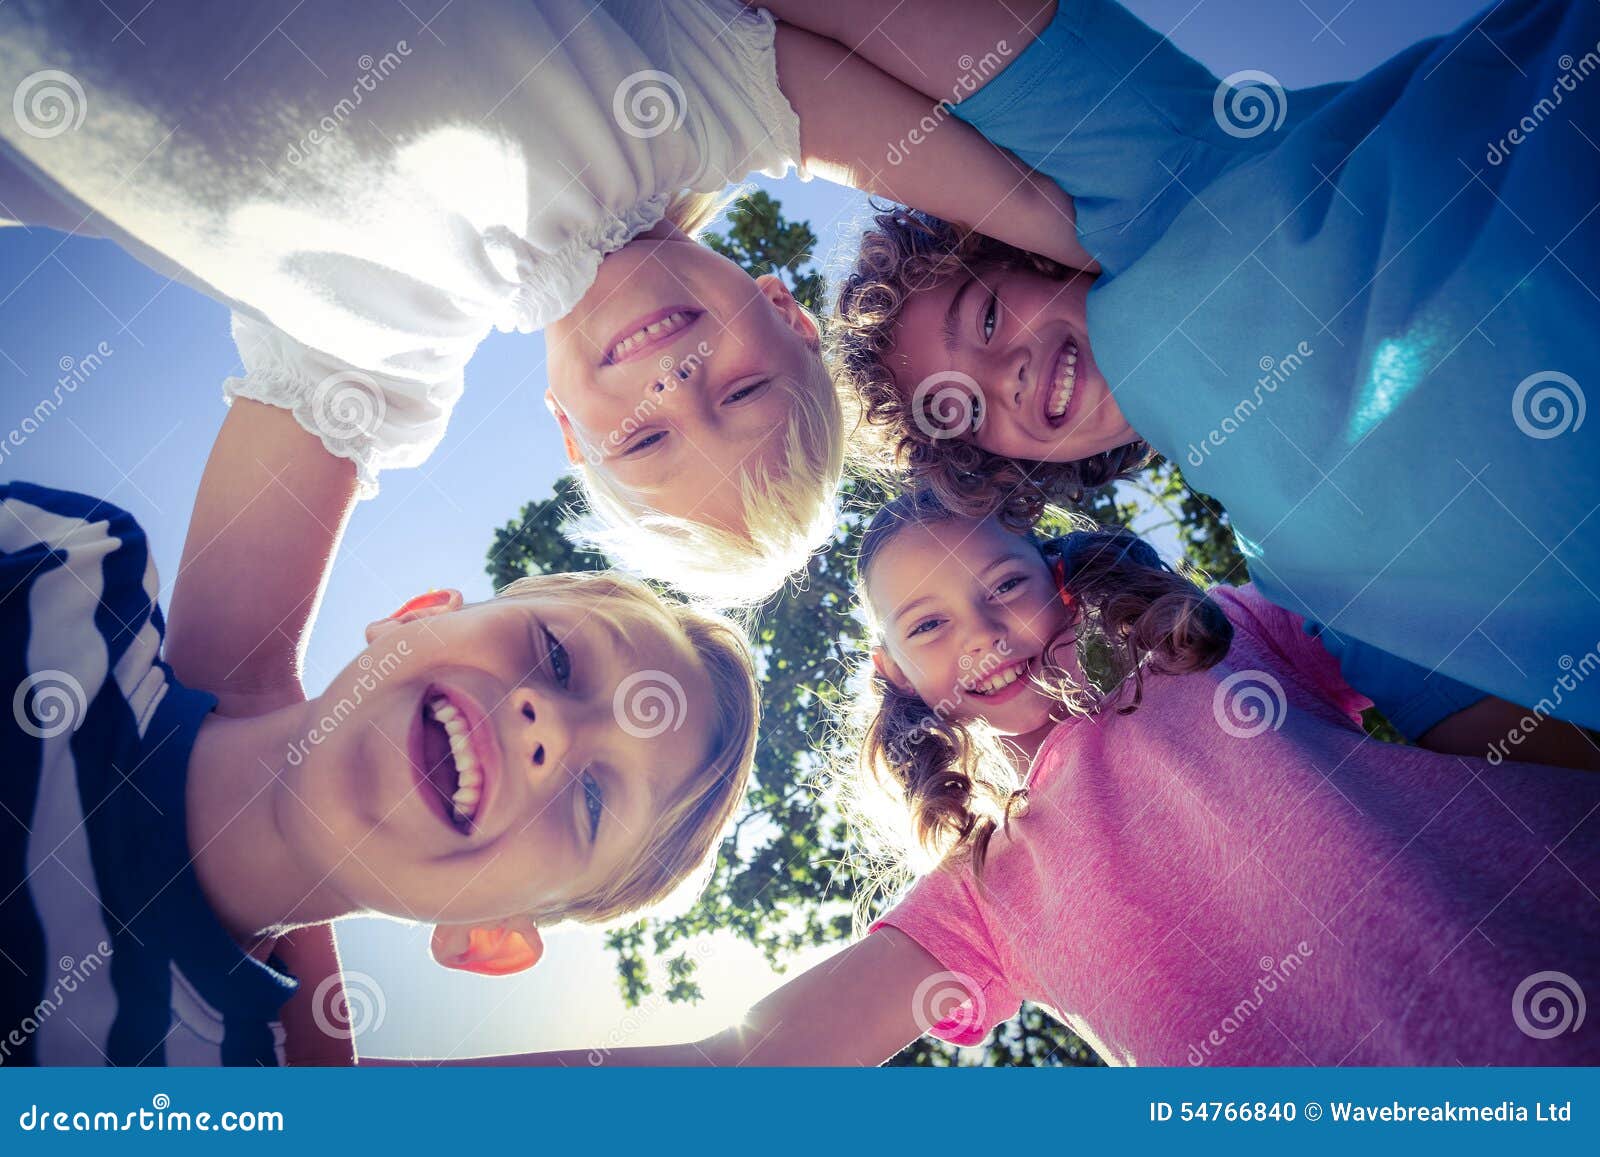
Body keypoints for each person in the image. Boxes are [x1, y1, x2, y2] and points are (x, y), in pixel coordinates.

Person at [401, 493, 1600, 1066]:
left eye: (1004, 586)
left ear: (1058, 575)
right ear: (897, 672)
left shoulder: (1216, 635)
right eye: (929, 625)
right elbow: (743, 1059)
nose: (985, 636)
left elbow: (1484, 703)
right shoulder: (986, 896)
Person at [0, 0, 1087, 604]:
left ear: (568, 433)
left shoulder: (385, 358)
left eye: (650, 437)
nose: (674, 382)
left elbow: (233, 672)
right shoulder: (697, 98)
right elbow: (1052, 204)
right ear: (785, 309)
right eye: (744, 390)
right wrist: (1104, 253)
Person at [811, 0, 1600, 728]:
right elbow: (1546, 813)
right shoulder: (1315, 589)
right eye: (970, 414)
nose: (1004, 376)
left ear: (1028, 251)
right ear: (1013, 467)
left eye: (985, 316)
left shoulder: (1158, 177)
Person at [0, 480, 758, 1065]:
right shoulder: (73, 574)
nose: (552, 730)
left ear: (486, 937)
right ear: (418, 612)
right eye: (559, 656)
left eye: (594, 799)